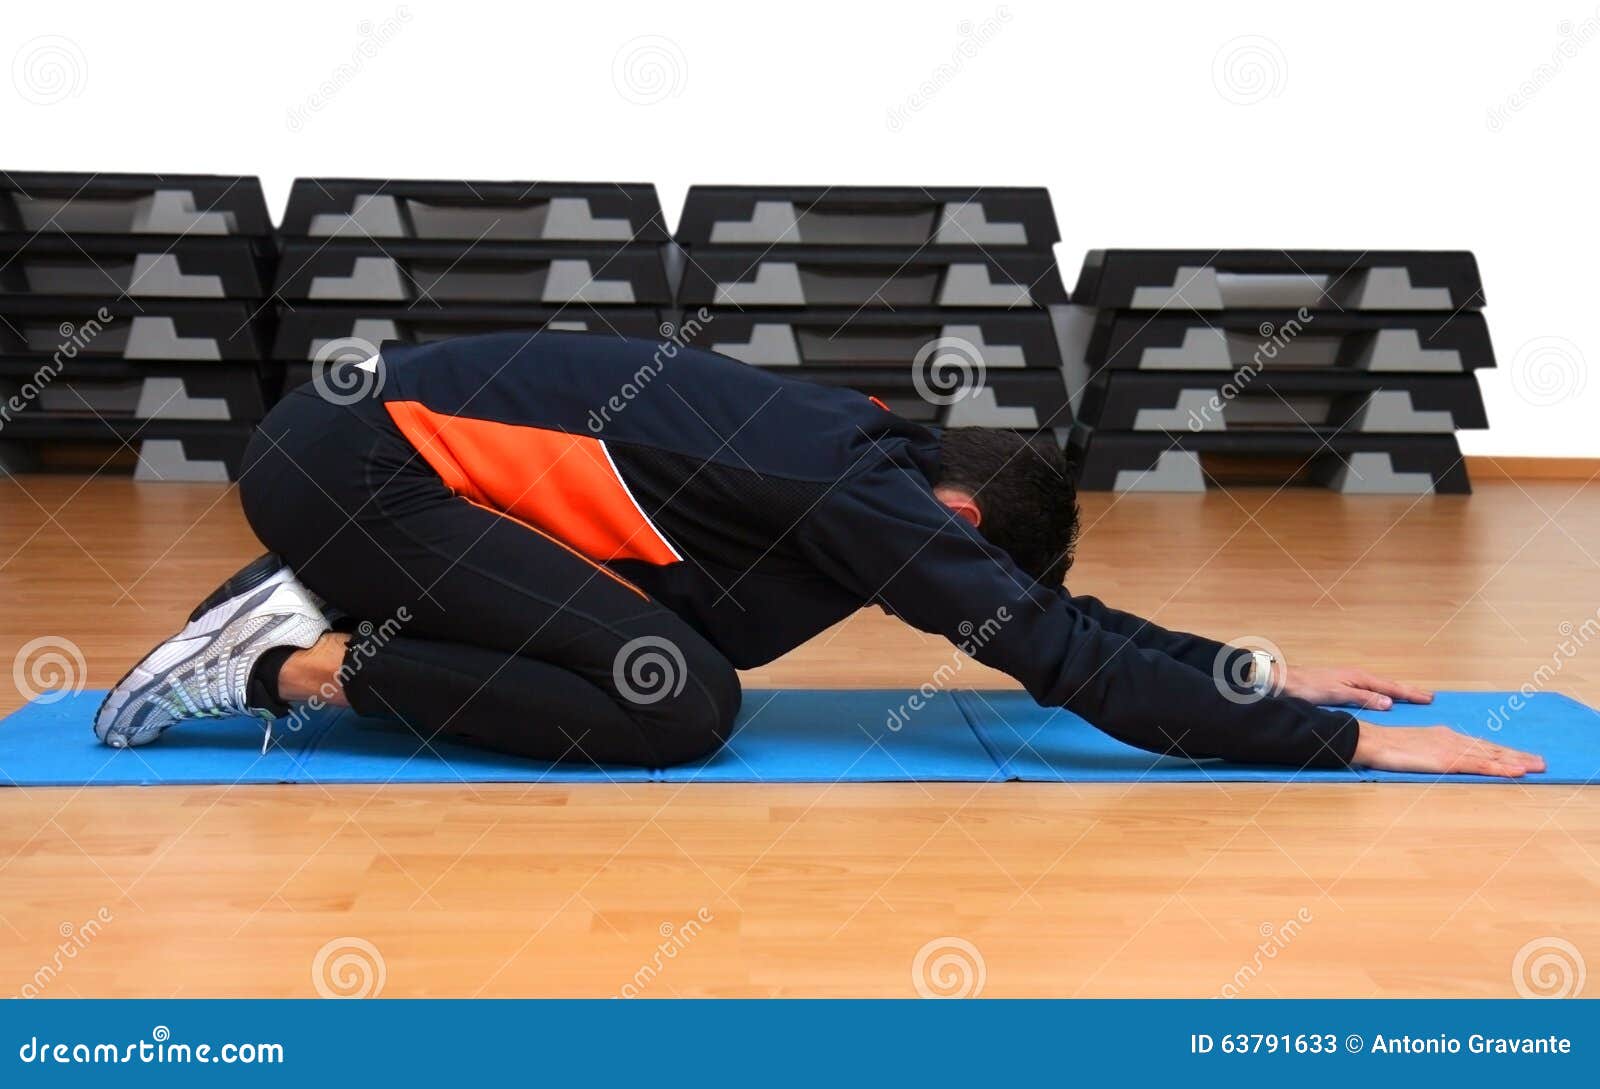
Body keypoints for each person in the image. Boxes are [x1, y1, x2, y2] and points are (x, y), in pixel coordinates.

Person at [95, 332, 1544, 778]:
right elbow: (1053, 648)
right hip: (351, 467)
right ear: (956, 521)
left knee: (699, 639)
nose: (936, 586)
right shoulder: (863, 493)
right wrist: (1333, 750)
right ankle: (281, 663)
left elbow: (1056, 624)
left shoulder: (859, 462)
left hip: (357, 469)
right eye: (966, 568)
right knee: (681, 702)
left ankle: (319, 593)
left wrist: (1260, 671)